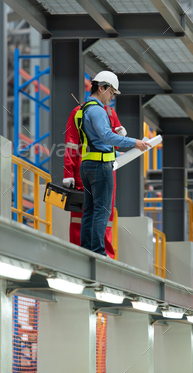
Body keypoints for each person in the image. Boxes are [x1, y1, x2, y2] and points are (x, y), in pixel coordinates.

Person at [76, 71, 150, 255]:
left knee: (90, 210)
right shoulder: (98, 110)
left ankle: (86, 249)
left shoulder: (84, 109)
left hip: (86, 166)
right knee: (102, 210)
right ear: (101, 88)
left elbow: (96, 141)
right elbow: (107, 136)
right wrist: (135, 142)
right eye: (110, 92)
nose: (111, 97)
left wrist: (117, 150)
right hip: (100, 168)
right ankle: (98, 252)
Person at [63, 95, 126, 258]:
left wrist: (121, 138)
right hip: (83, 173)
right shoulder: (79, 112)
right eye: (110, 91)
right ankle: (82, 253)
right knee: (84, 215)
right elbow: (71, 144)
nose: (111, 96)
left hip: (104, 169)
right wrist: (68, 173)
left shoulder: (111, 113)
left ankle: (103, 254)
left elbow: (110, 145)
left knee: (104, 215)